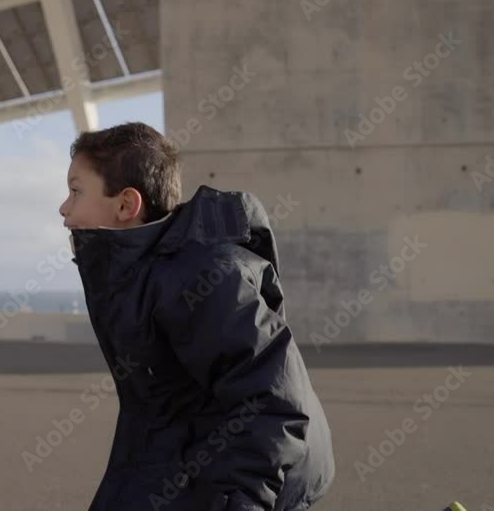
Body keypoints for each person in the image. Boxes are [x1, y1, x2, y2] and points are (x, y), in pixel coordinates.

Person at [59, 122, 335, 511]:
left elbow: (274, 400)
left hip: (246, 480)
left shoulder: (203, 277)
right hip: (178, 458)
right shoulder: (141, 274)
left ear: (125, 205)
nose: (64, 208)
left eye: (76, 191)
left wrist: (243, 501)